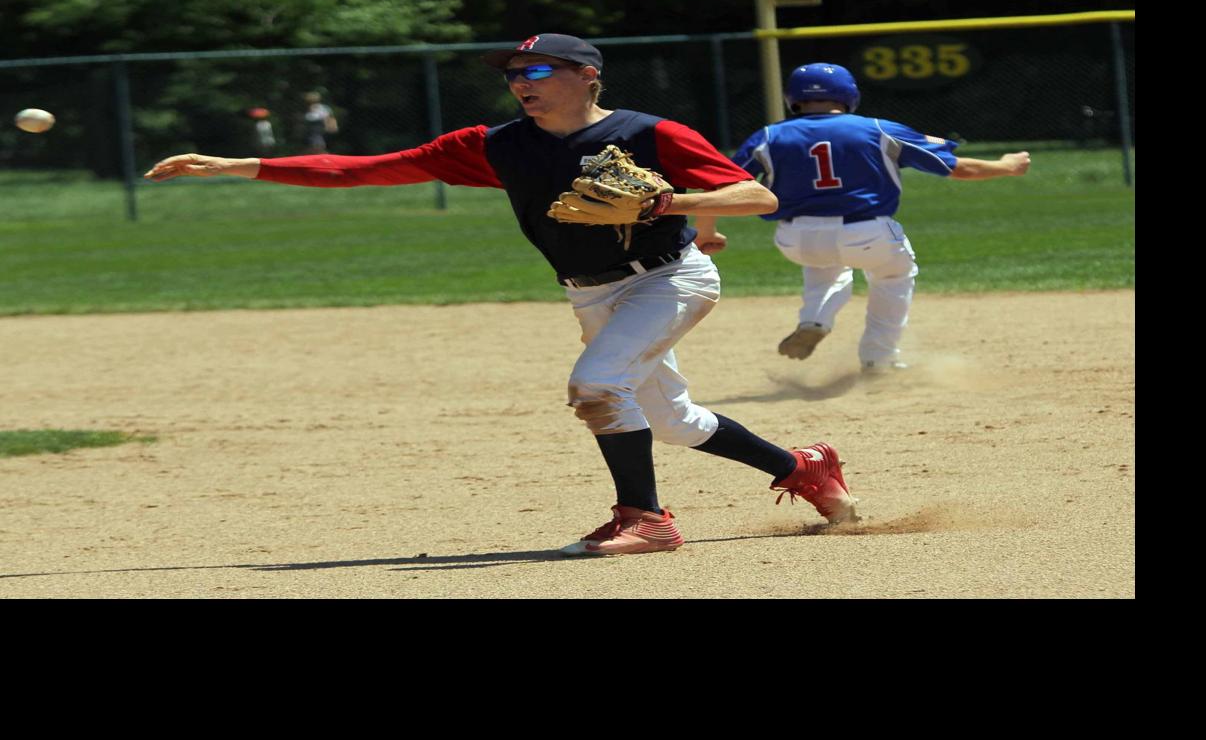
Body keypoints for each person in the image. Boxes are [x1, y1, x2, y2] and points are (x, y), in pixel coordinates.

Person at [144, 34, 859, 556]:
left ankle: (644, 519)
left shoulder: (647, 133)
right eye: (515, 73)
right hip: (591, 293)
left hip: (670, 277)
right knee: (672, 421)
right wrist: (237, 164)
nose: (522, 80)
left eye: (538, 69)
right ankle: (803, 468)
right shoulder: (496, 145)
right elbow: (361, 168)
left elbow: (756, 195)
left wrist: (663, 203)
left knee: (597, 387)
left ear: (587, 76)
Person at [698, 63, 1031, 373]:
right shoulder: (877, 129)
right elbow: (958, 169)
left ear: (793, 98)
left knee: (823, 267)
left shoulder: (768, 136)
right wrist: (1006, 166)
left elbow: (720, 186)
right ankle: (879, 357)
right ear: (848, 94)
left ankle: (815, 319)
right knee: (893, 276)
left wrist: (707, 232)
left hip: (796, 237)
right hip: (867, 233)